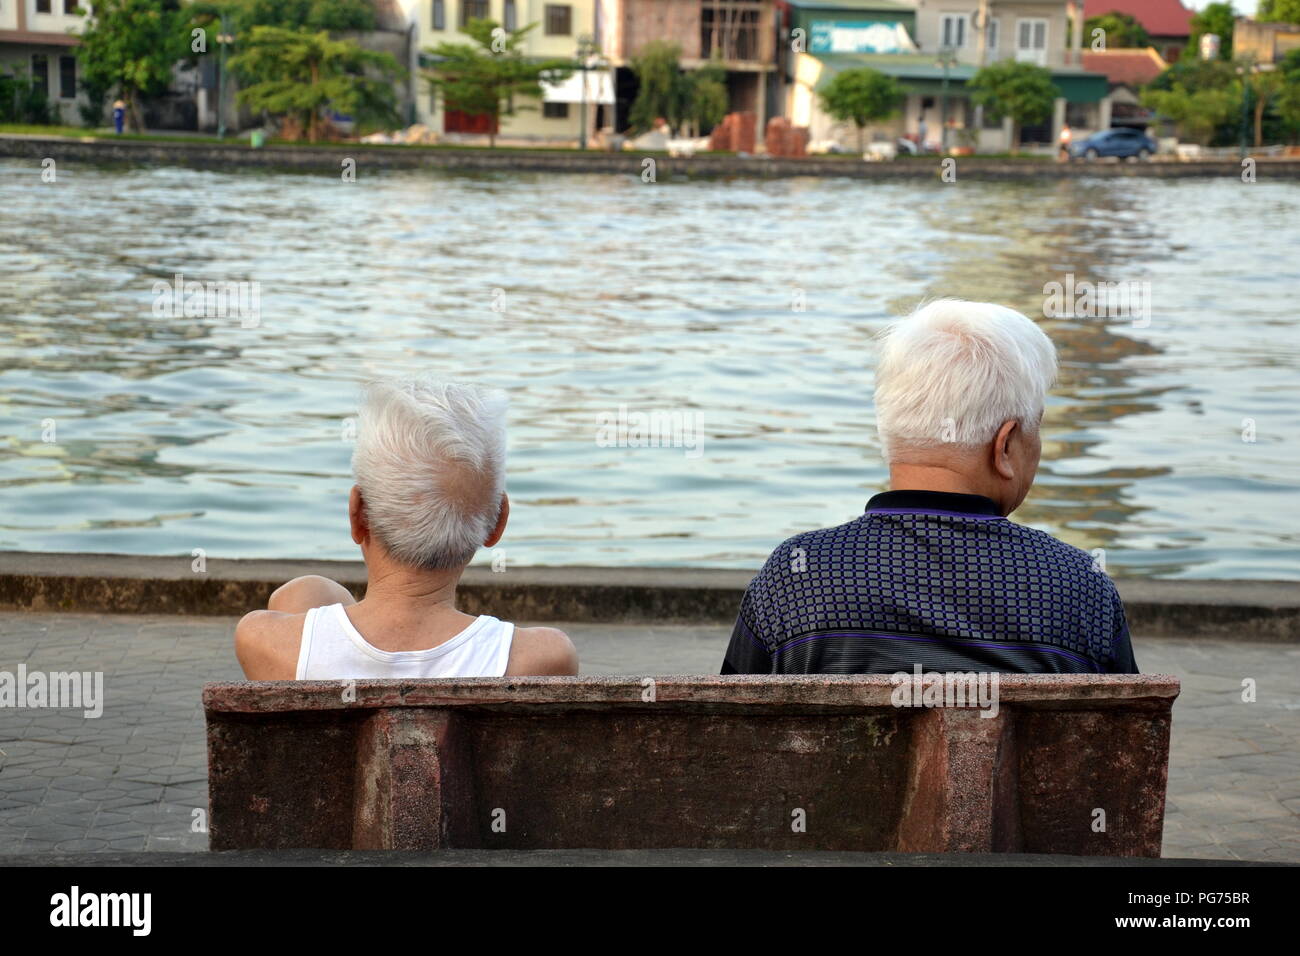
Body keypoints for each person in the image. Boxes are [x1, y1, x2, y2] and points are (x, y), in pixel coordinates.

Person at [721, 299, 1138, 676]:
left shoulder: (796, 576)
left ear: (891, 428)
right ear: (1005, 445)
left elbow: (734, 734)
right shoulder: (1079, 588)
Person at [235, 379, 578, 680]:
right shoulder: (541, 657)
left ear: (357, 515)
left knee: (304, 592)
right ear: (497, 522)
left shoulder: (261, 640)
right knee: (311, 590)